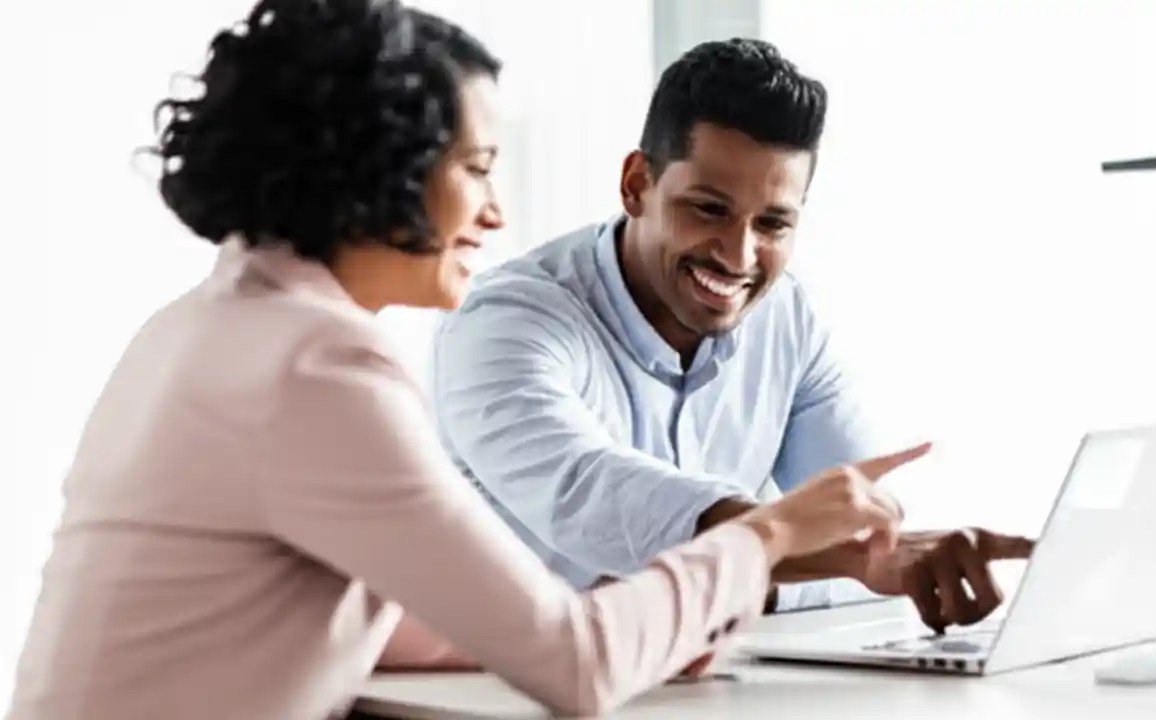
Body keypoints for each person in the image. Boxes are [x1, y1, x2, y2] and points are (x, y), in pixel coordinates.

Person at [6, 3, 907, 719]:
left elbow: (377, 619)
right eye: (476, 168)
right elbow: (579, 669)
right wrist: (766, 537)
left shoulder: (213, 326)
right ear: (380, 173)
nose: (496, 214)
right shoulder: (317, 371)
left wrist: (660, 621)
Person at [433, 37, 1035, 626]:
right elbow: (590, 496)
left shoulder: (787, 319)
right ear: (637, 184)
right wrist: (809, 560)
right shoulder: (504, 324)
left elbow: (873, 542)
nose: (738, 255)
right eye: (709, 209)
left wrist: (754, 583)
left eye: (773, 223)